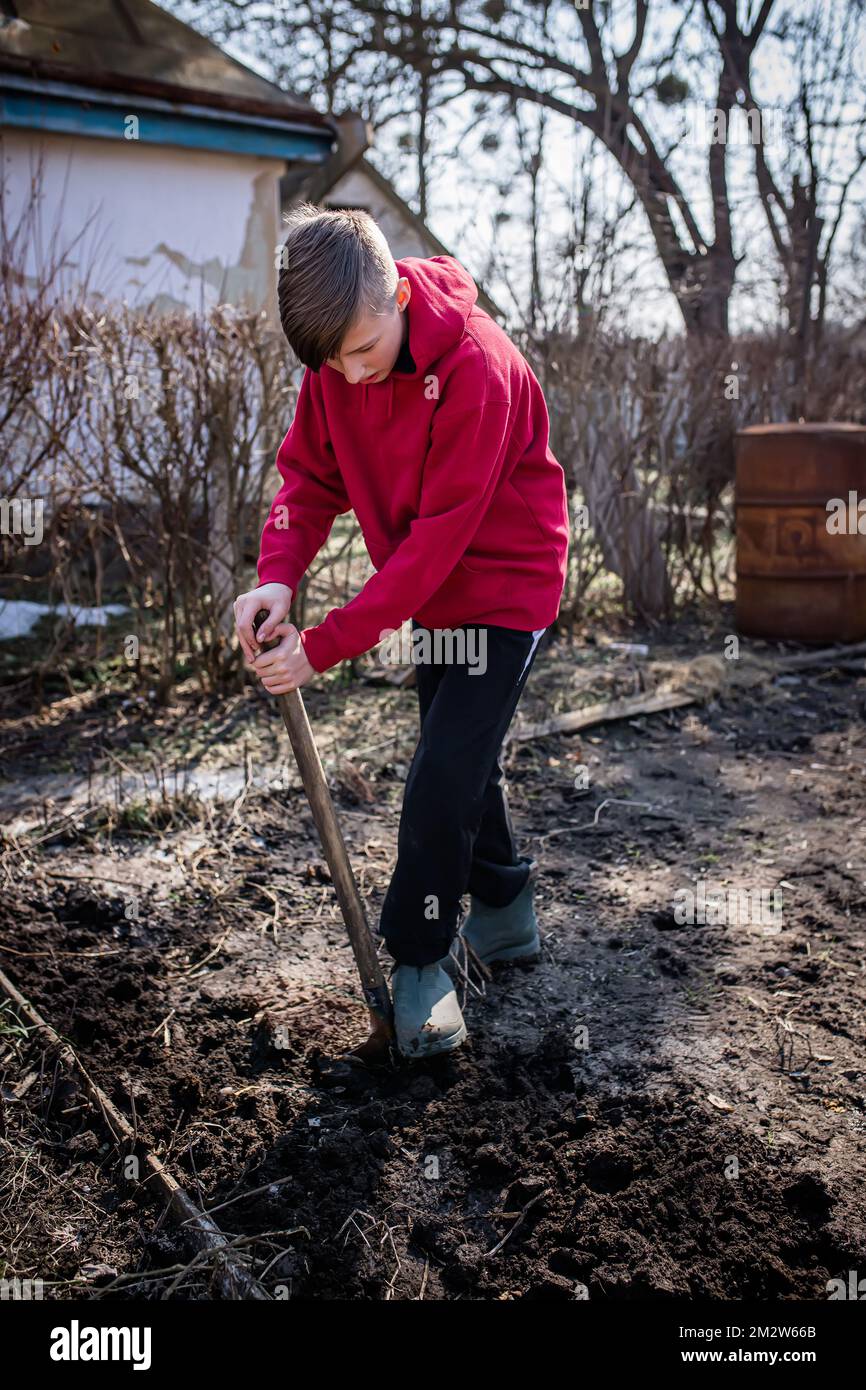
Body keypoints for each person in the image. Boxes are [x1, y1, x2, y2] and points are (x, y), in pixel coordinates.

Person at [234, 203, 569, 1060]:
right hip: (434, 593)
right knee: (461, 760)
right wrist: (278, 574)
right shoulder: (337, 361)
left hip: (506, 586)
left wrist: (325, 644)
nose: (348, 378)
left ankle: (421, 965)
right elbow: (308, 479)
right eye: (330, 364)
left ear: (395, 299)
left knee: (439, 774)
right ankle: (506, 912)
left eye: (361, 354)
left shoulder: (478, 368)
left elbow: (433, 548)